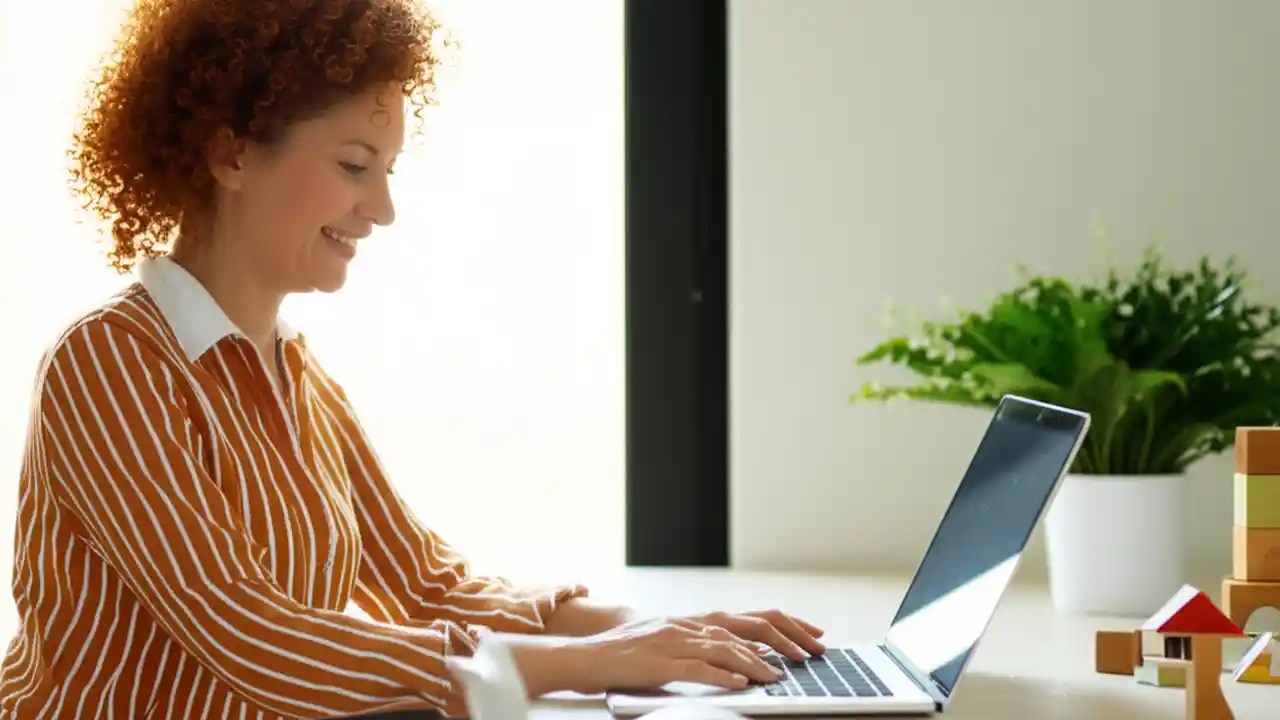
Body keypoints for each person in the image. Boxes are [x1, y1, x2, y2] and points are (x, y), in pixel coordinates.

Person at [0, 1, 825, 718]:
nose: (384, 210)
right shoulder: (106, 362)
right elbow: (252, 639)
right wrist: (594, 662)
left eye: (386, 172)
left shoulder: (298, 376)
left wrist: (659, 632)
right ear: (233, 156)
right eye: (355, 166)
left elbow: (427, 588)